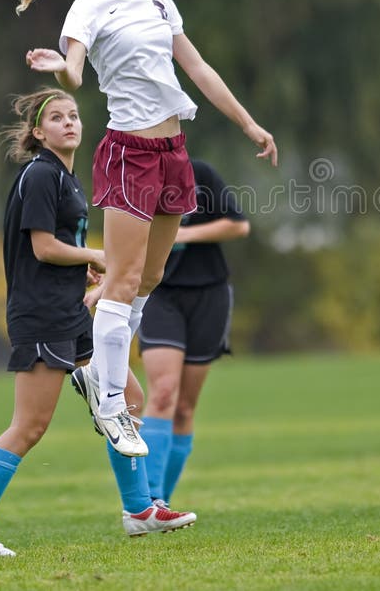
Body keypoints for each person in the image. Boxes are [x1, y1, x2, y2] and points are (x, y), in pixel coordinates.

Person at [8, 0, 277, 463]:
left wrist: (248, 122)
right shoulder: (89, 6)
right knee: (125, 278)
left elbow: (198, 69)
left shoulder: (159, 0)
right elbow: (76, 74)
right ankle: (109, 399)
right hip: (129, 153)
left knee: (150, 277)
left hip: (174, 151)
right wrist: (59, 63)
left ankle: (94, 371)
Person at [0, 89, 195, 558]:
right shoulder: (41, 174)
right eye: (56, 118)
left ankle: (139, 509)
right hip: (42, 317)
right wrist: (99, 255)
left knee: (128, 399)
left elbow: (51, 250)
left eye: (74, 115)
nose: (69, 123)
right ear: (39, 132)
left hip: (71, 313)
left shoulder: (67, 177)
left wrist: (81, 268)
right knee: (31, 425)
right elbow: (42, 248)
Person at [138, 158, 250, 504]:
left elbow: (238, 225)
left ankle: (164, 501)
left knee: (185, 407)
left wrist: (183, 233)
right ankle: (149, 500)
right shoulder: (132, 178)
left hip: (208, 293)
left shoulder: (199, 174)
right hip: (159, 295)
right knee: (162, 392)